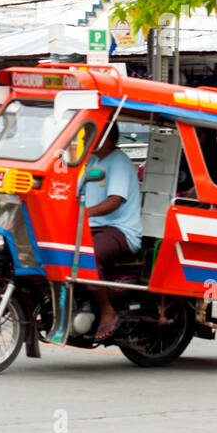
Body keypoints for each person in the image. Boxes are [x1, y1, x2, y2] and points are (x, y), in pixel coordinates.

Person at [83, 123, 142, 340]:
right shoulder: (93, 160)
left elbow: (114, 201)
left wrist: (85, 213)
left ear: (105, 137)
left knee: (89, 256)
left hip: (120, 230)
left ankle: (107, 310)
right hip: (93, 227)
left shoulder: (119, 162)